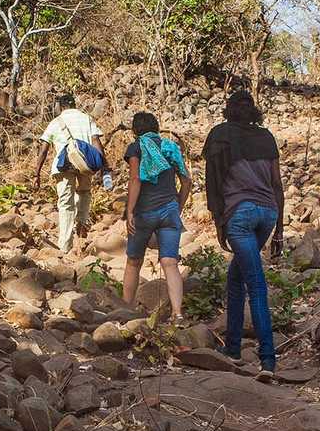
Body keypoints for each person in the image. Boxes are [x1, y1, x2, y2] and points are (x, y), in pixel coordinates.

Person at [203, 89, 284, 373]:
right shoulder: (266, 137)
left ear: (228, 110)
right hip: (268, 214)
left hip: (239, 214)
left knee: (256, 285)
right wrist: (280, 230)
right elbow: (277, 185)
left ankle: (268, 360)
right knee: (235, 278)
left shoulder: (219, 135)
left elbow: (213, 184)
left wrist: (218, 223)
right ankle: (233, 348)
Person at [121, 112, 192, 320]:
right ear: (157, 128)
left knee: (134, 261)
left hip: (144, 212)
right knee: (170, 262)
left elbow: (135, 179)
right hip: (169, 210)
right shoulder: (169, 147)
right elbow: (186, 181)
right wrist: (177, 206)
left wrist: (130, 211)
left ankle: (126, 310)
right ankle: (177, 313)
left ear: (135, 130)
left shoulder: (136, 147)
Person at [35, 93, 105, 254]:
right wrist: (102, 167)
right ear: (74, 104)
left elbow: (43, 150)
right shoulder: (87, 119)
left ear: (61, 106)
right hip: (84, 164)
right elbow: (96, 142)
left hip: (63, 166)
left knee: (66, 202)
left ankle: (65, 246)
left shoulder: (56, 122)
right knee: (85, 194)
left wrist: (36, 174)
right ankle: (81, 229)